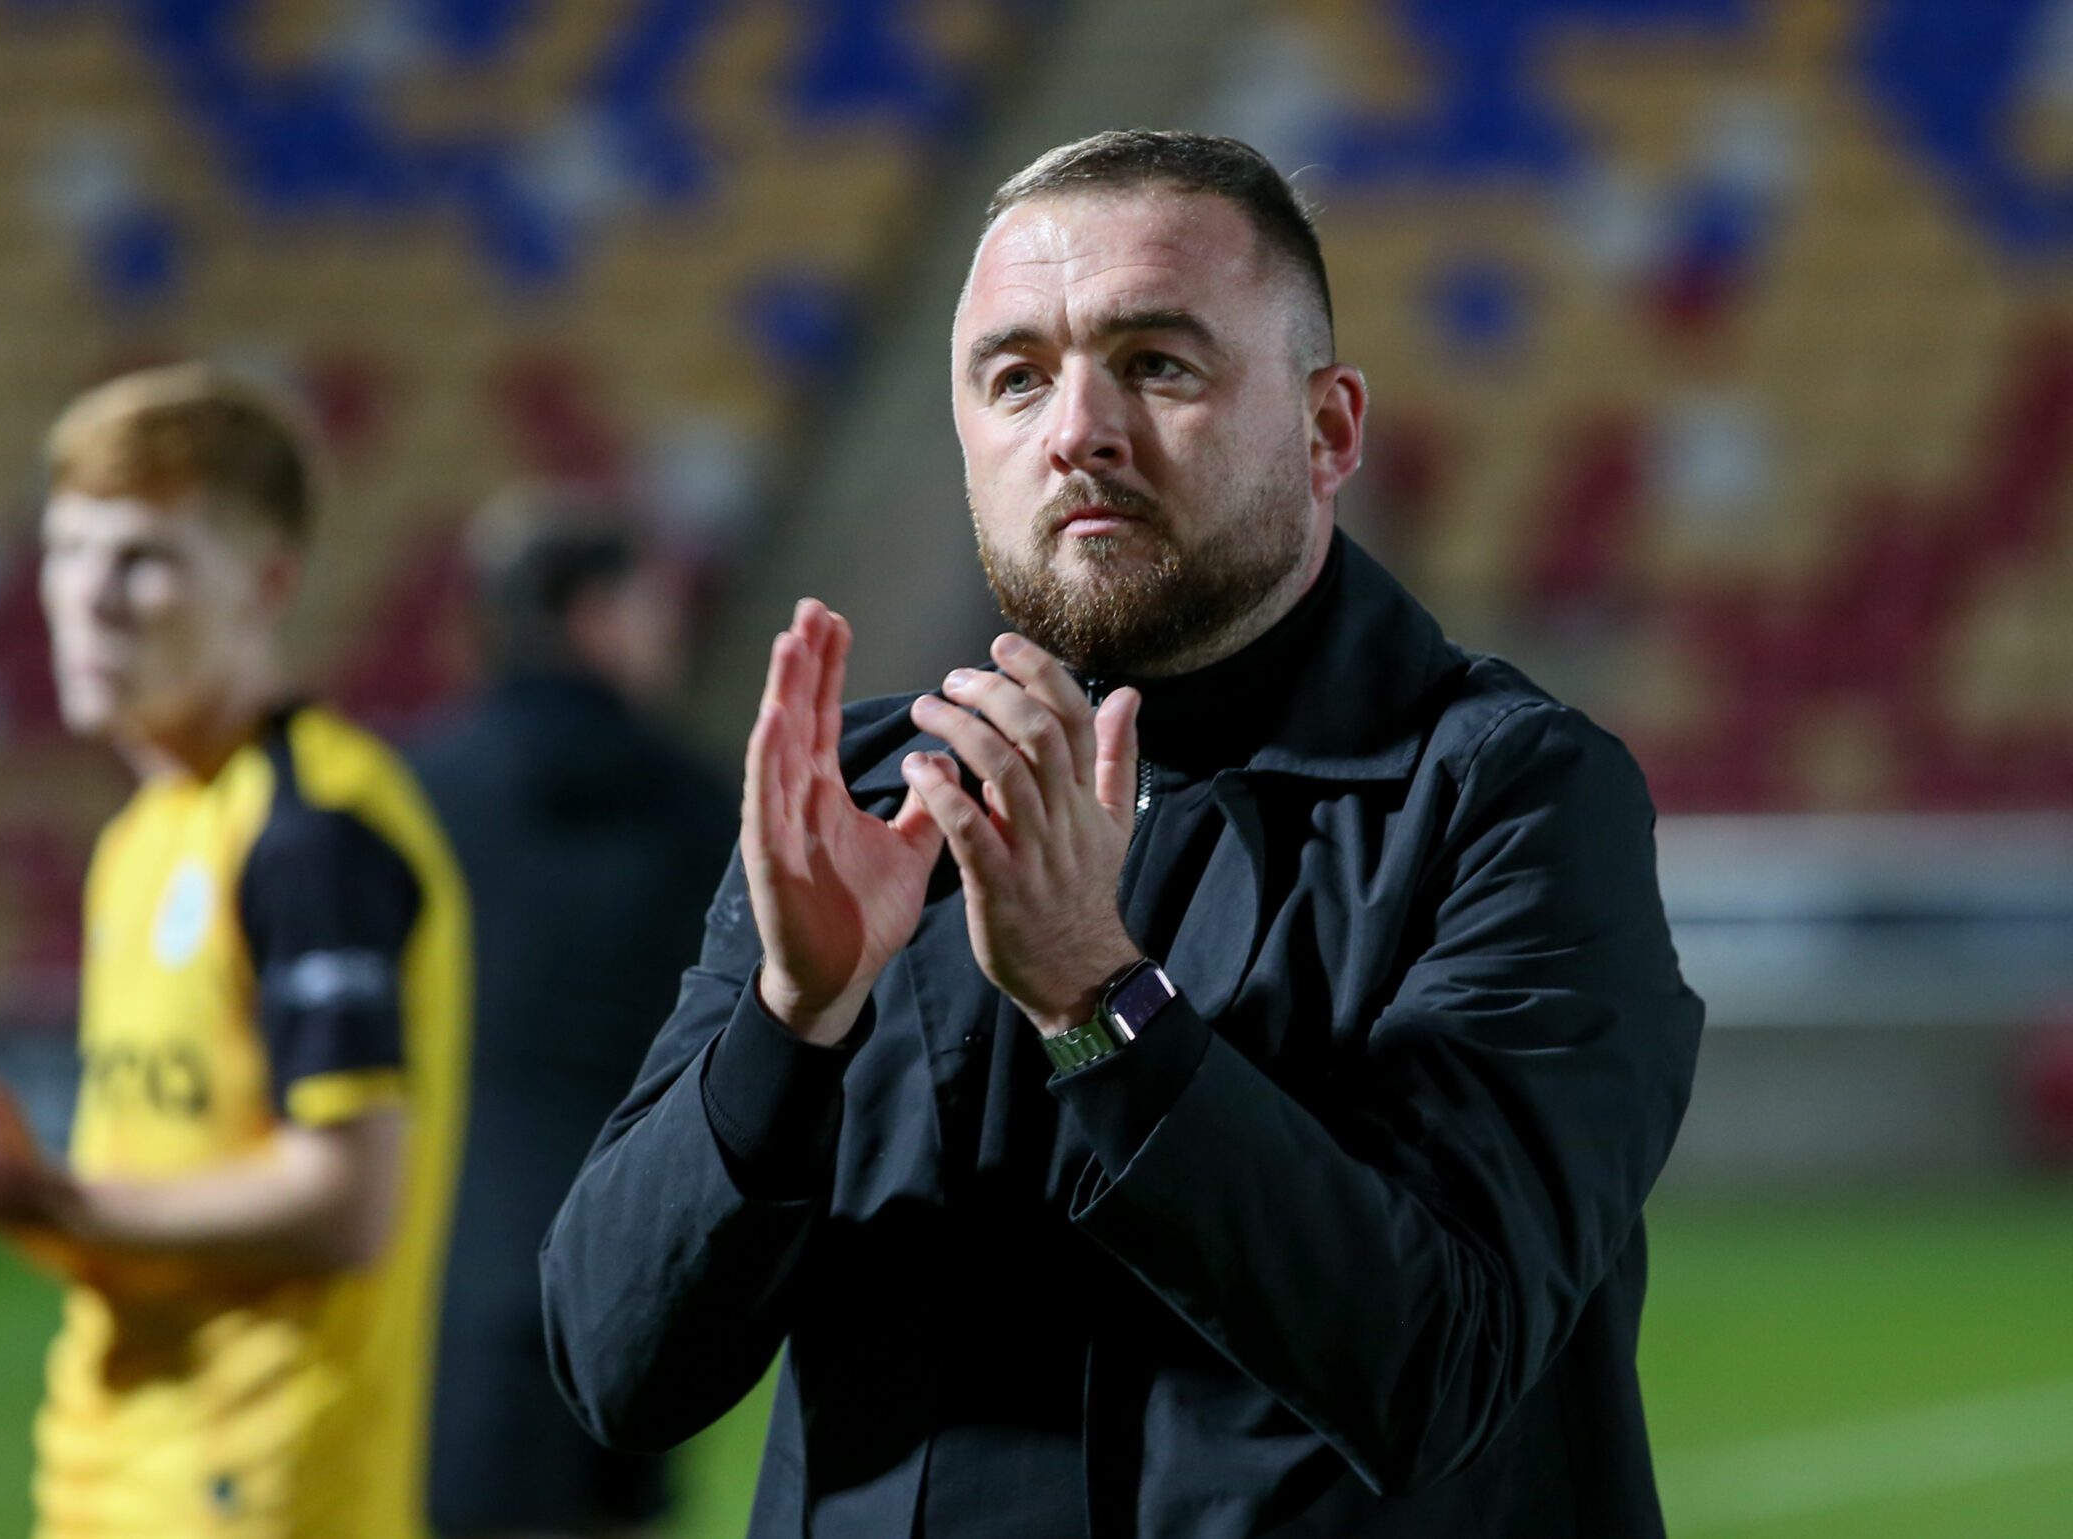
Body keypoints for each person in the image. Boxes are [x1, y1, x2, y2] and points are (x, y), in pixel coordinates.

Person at [539, 129, 1704, 1537]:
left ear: (1329, 430)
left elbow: (1436, 1363)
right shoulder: (869, 797)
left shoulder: (1511, 798)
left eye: (1157, 364)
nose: (1076, 428)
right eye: (1016, 377)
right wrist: (792, 1021)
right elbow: (616, 1366)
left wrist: (1098, 998)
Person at [0, 363, 473, 1539]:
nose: (89, 597)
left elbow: (347, 1200)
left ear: (266, 586)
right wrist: (10, 1184)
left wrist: (25, 1190)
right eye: (68, 550)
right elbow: (172, 1169)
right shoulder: (147, 836)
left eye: (145, 558)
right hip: (118, 1477)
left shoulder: (314, 833)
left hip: (260, 1492)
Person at [409, 499, 735, 1537]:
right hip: (639, 1263)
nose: (672, 633)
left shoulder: (408, 793)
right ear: (591, 618)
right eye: (653, 608)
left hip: (442, 1271)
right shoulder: (698, 806)